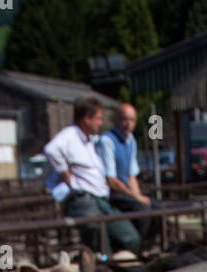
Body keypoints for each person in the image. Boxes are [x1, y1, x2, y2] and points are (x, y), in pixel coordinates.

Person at [44, 99, 140, 256]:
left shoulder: (90, 140)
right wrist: (64, 172)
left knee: (130, 238)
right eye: (98, 118)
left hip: (100, 200)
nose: (100, 123)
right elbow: (51, 150)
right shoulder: (69, 135)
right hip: (84, 200)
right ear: (86, 118)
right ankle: (104, 265)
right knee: (99, 239)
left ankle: (116, 262)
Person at [96, 102, 155, 250]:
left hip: (126, 192)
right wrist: (136, 198)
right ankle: (135, 249)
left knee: (157, 208)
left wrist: (138, 195)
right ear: (116, 120)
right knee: (143, 211)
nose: (128, 124)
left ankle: (146, 248)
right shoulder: (107, 141)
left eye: (132, 120)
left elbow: (131, 176)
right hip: (112, 193)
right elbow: (111, 180)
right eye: (124, 119)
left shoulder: (131, 140)